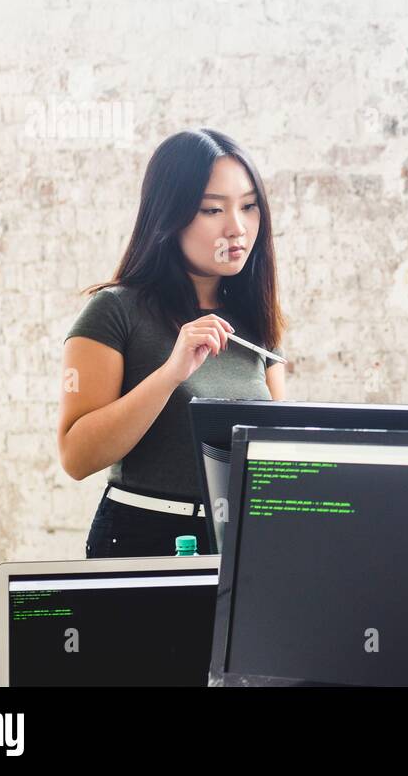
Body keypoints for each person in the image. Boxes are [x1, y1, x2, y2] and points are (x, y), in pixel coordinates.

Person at [58, 129, 286, 558]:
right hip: (144, 538)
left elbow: (271, 458)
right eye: (212, 209)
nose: (237, 227)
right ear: (170, 214)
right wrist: (171, 374)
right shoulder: (114, 311)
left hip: (240, 545)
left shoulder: (255, 322)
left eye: (250, 206)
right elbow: (76, 455)